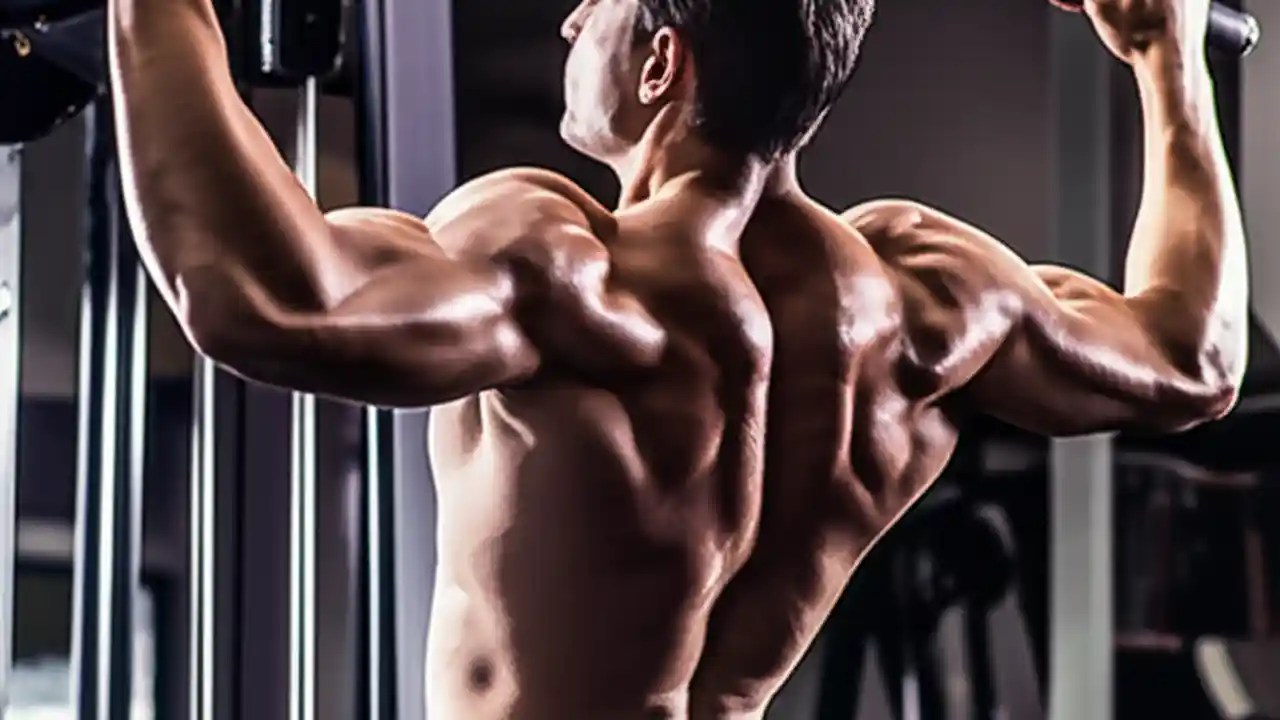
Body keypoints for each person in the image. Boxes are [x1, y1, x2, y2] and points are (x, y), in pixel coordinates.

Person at [108, 0, 1249, 716]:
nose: (564, 27)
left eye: (592, 6)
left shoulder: (564, 265)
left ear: (660, 63)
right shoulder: (919, 303)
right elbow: (1189, 353)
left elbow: (259, 298)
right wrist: (1166, 54)